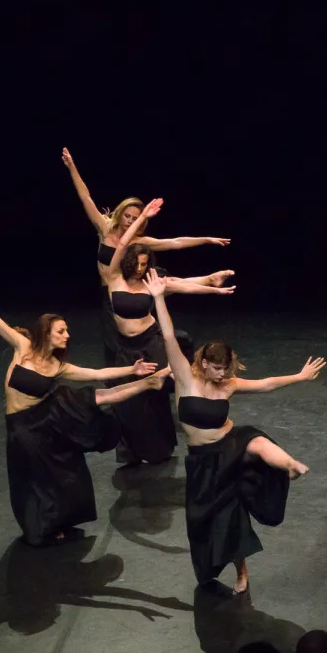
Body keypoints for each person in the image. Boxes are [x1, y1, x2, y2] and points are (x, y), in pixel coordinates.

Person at [0, 261, 170, 546]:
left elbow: (97, 373)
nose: (67, 335)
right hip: (20, 427)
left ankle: (146, 384)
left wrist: (132, 370)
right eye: (61, 331)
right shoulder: (23, 346)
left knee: (60, 472)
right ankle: (41, 526)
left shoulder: (59, 366)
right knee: (31, 479)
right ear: (46, 333)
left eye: (66, 331)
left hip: (44, 421)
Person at [144, 270, 323, 595]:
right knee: (202, 522)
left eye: (226, 367)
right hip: (202, 461)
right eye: (217, 368)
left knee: (252, 445)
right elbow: (169, 337)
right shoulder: (185, 378)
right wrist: (158, 298)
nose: (222, 373)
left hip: (229, 447)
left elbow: (266, 384)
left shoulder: (229, 384)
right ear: (204, 363)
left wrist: (298, 377)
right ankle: (216, 566)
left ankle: (290, 466)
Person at [102, 199, 236, 466]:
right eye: (137, 264)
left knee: (159, 392)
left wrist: (214, 288)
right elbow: (120, 240)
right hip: (125, 346)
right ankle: (131, 450)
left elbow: (180, 279)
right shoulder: (112, 277)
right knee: (130, 400)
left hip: (150, 339)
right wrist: (141, 218)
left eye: (144, 264)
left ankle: (185, 429)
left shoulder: (149, 280)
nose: (140, 268)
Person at [62, 147, 231, 352]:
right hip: (109, 292)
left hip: (129, 288)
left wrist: (207, 239)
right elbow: (85, 197)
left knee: (165, 282)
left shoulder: (139, 240)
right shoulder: (104, 228)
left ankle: (210, 280)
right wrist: (71, 166)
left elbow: (175, 242)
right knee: (115, 343)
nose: (130, 221)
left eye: (135, 219)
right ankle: (209, 280)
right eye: (127, 216)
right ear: (120, 212)